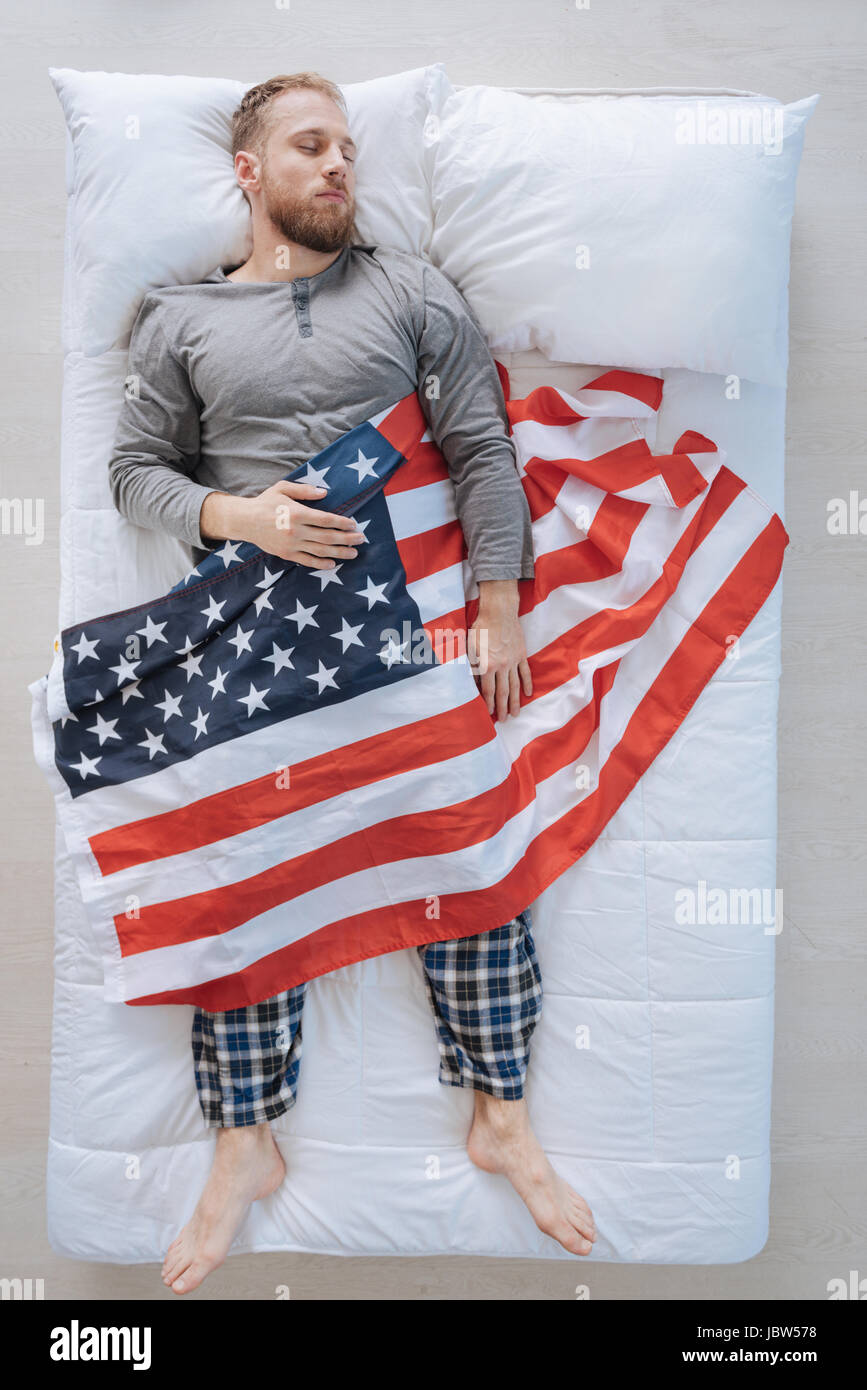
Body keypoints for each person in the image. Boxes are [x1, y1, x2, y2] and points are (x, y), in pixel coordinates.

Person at [106, 70, 597, 1294]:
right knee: (237, 866)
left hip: (417, 619)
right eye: (308, 146)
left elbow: (481, 444)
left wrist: (496, 607)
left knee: (469, 847)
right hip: (254, 632)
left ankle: (501, 1112)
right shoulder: (177, 318)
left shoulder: (414, 291)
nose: (337, 167)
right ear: (249, 172)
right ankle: (245, 1139)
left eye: (348, 149)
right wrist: (241, 513)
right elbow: (132, 471)